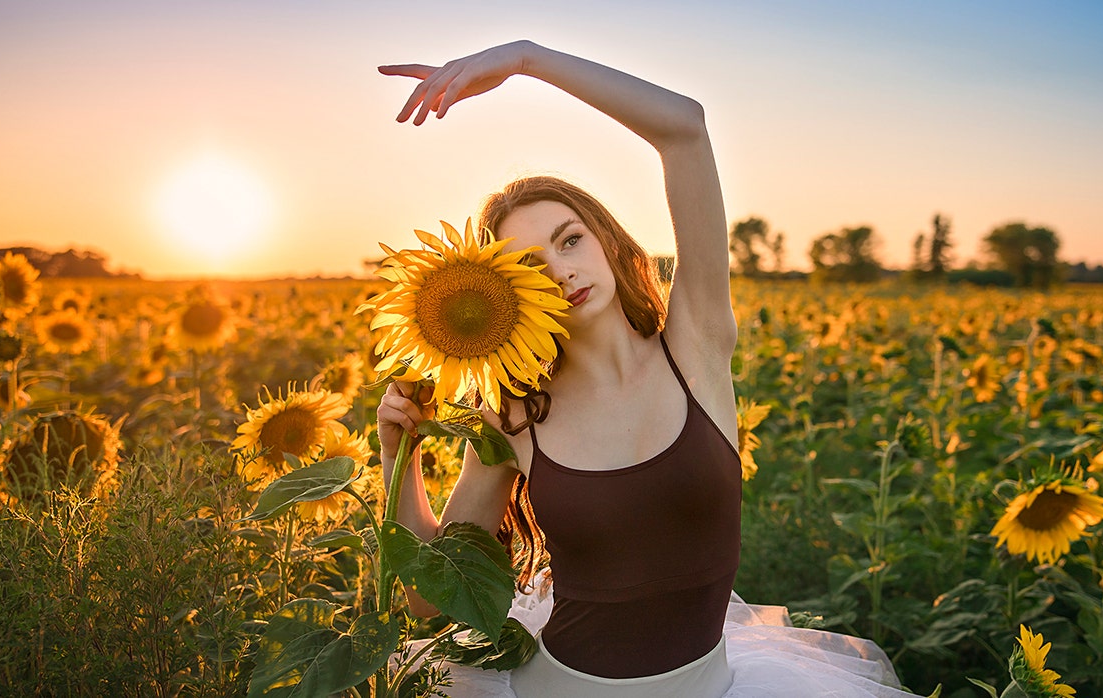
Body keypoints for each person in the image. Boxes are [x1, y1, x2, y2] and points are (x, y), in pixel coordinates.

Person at [376, 40, 921, 697]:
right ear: (509, 293)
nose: (562, 269)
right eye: (529, 265)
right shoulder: (515, 411)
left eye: (569, 239)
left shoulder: (695, 343)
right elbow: (432, 600)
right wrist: (395, 454)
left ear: (606, 240)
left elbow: (684, 129)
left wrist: (525, 59)